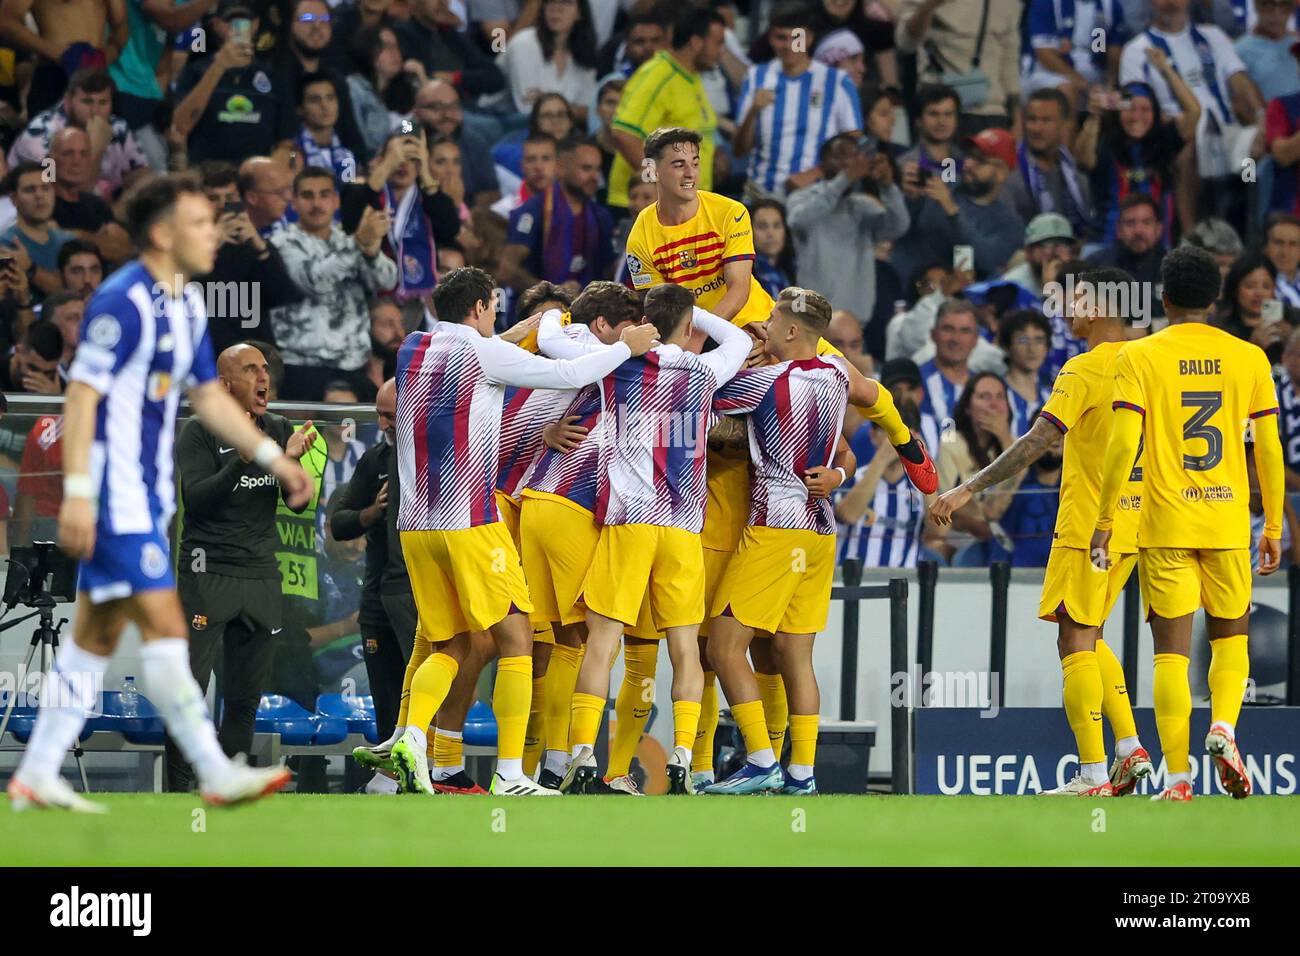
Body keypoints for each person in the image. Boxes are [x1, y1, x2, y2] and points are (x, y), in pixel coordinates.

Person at [6, 172, 313, 812]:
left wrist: (273, 461)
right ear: (162, 233)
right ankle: (215, 770)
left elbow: (207, 399)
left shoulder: (188, 305)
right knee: (169, 628)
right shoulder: (120, 301)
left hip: (148, 497)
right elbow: (83, 396)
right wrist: (83, 494)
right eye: (200, 224)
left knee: (91, 639)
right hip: (116, 494)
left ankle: (35, 773)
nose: (213, 235)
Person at [389, 266, 656, 797]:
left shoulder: (412, 348)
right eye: (493, 307)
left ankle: (408, 739)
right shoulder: (486, 353)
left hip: (415, 525)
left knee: (451, 644)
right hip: (472, 519)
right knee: (513, 638)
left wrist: (515, 335)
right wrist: (627, 347)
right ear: (482, 307)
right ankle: (511, 773)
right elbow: (569, 376)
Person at [932, 264, 1152, 795]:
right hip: (1137, 520)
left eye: (1076, 301)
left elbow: (1036, 441)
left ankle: (1093, 771)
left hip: (1087, 523)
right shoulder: (1147, 364)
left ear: (1098, 307)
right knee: (1091, 631)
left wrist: (967, 488)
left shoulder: (1082, 368)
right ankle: (1130, 748)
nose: (1068, 312)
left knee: (1073, 638)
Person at [1091, 244, 1284, 801]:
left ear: (1164, 297)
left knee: (1170, 654)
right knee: (1230, 639)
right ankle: (1224, 726)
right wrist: (1271, 525)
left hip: (1165, 522)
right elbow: (1267, 447)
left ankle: (1177, 779)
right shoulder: (1248, 357)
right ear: (1218, 297)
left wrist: (1106, 518)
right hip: (1227, 521)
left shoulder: (1139, 356)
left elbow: (1124, 442)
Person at [558, 283, 751, 796]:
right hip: (684, 529)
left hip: (630, 524)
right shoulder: (705, 370)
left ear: (645, 321)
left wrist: (626, 339)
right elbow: (739, 341)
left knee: (602, 644)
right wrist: (698, 314)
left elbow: (556, 346)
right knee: (686, 648)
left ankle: (580, 757)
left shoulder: (618, 363)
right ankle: (685, 755)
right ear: (688, 327)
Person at [702, 287, 860, 796]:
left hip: (775, 526)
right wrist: (837, 473)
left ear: (792, 331)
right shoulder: (837, 376)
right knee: (796, 655)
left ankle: (761, 759)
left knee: (724, 649)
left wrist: (735, 350)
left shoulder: (766, 381)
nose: (763, 328)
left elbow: (699, 395)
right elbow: (844, 438)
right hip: (820, 532)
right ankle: (802, 773)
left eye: (770, 321)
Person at [166, 343, 317, 792]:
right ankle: (178, 793)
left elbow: (297, 503)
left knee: (245, 698)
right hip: (207, 574)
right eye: (251, 370)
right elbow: (198, 498)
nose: (263, 377)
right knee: (190, 694)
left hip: (260, 576)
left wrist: (290, 464)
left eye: (265, 369)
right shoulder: (199, 431)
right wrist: (246, 457)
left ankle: (228, 785)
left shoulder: (278, 427)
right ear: (227, 384)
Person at [327, 378, 409, 766]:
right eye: (378, 414)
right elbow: (340, 523)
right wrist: (372, 513)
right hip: (377, 601)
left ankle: (437, 769)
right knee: (386, 697)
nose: (382, 424)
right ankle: (390, 774)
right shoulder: (374, 460)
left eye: (390, 415)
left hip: (421, 599)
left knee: (421, 691)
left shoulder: (436, 456)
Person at [269, 166, 398, 399]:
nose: (316, 203)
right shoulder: (281, 245)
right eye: (307, 195)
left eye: (324, 194)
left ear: (336, 200)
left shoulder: (349, 240)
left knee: (361, 435)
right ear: (294, 202)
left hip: (353, 366)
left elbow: (387, 280)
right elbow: (314, 281)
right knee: (305, 437)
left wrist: (371, 252)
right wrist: (359, 242)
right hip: (302, 368)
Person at [623, 126, 771, 325]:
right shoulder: (640, 235)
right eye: (678, 165)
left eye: (695, 163)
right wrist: (703, 337)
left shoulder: (730, 212)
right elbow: (661, 312)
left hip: (759, 324)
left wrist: (710, 333)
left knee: (826, 355)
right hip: (695, 339)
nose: (690, 174)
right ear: (652, 171)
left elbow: (739, 288)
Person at [732, 2, 863, 202]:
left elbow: (854, 141)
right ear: (770, 38)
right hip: (761, 198)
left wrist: (814, 173)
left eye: (796, 38)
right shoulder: (755, 77)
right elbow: (739, 151)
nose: (788, 46)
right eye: (780, 38)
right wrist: (753, 111)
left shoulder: (836, 82)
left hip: (815, 199)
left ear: (809, 38)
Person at [605, 6, 724, 210]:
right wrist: (664, 188)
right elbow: (624, 134)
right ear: (696, 43)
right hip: (643, 208)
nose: (721, 51)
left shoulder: (689, 76)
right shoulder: (658, 75)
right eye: (718, 43)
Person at [341, 129, 461, 323]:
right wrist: (385, 167)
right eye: (396, 157)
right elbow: (349, 220)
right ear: (382, 159)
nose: (403, 165)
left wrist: (426, 174)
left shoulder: (429, 198)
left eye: (412, 158)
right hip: (372, 296)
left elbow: (450, 230)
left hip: (419, 299)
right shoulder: (364, 192)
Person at [786, 132, 908, 318]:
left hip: (855, 321)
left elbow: (898, 226)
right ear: (822, 164)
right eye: (839, 156)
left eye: (852, 157)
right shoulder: (801, 198)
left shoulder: (862, 206)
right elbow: (798, 220)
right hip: (811, 319)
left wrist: (888, 186)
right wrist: (844, 179)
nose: (847, 164)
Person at [891, 126, 1025, 288]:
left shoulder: (1009, 223)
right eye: (969, 155)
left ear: (1001, 172)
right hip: (908, 290)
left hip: (958, 303)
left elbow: (988, 260)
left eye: (980, 160)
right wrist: (910, 199)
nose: (968, 164)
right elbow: (899, 230)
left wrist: (953, 212)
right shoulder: (939, 187)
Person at [1075, 73, 1197, 244]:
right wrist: (1095, 116)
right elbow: (1083, 160)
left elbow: (1194, 112)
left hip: (1158, 251)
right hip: (1106, 245)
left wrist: (1164, 69)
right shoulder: (1105, 143)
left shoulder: (1164, 142)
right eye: (1129, 109)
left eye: (1145, 110)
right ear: (1118, 113)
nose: (1136, 116)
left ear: (1155, 114)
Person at [197, 159, 302, 353]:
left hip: (255, 354)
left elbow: (283, 296)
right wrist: (211, 243)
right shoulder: (184, 250)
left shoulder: (253, 245)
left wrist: (260, 246)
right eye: (213, 198)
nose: (222, 205)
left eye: (230, 197)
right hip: (207, 355)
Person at [172, 5, 297, 166]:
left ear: (256, 25)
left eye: (244, 22)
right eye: (230, 22)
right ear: (216, 24)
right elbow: (180, 128)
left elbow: (288, 143)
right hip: (207, 175)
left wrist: (281, 165)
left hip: (256, 180)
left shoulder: (274, 77)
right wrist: (219, 66)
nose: (237, 28)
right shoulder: (194, 72)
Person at [7, 68, 150, 198]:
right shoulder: (42, 132)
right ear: (67, 101)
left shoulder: (118, 127)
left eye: (103, 102)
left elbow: (142, 172)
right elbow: (60, 193)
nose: (95, 111)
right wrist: (96, 147)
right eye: (87, 102)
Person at [501, 137, 615, 295]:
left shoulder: (601, 216)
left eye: (597, 169)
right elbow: (508, 269)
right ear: (561, 168)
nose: (594, 177)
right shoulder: (533, 211)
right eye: (586, 169)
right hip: (538, 311)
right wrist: (551, 293)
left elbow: (609, 269)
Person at [895, 0, 1022, 135]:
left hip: (992, 110)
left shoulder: (1007, 4)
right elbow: (906, 44)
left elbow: (1009, 59)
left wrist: (1016, 115)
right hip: (939, 109)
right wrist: (929, 7)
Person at [934, 370, 1022, 565]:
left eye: (1000, 397)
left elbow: (1016, 497)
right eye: (984, 397)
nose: (994, 404)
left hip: (1010, 534)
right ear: (967, 407)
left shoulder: (1016, 445)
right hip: (962, 536)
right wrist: (987, 531)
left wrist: (1005, 438)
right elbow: (952, 510)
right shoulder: (951, 443)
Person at [834, 399, 928, 568]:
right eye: (887, 432)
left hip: (906, 584)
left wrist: (924, 463)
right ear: (872, 435)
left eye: (900, 434)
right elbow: (846, 515)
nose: (894, 442)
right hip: (853, 581)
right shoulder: (853, 476)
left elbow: (940, 531)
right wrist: (880, 461)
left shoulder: (921, 487)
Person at [273, 0, 368, 162]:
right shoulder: (274, 76)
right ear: (290, 24)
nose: (317, 26)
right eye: (307, 19)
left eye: (324, 20)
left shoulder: (336, 79)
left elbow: (351, 137)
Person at [0, 0, 126, 117]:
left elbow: (121, 25)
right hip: (53, 75)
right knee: (50, 139)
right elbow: (6, 21)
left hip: (97, 73)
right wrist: (54, 52)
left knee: (106, 137)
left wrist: (106, 56)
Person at [1002, 88, 1094, 242]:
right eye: (1032, 119)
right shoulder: (1011, 173)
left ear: (1064, 125)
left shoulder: (1077, 175)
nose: (1037, 128)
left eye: (1046, 120)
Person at [47, 127, 132, 266]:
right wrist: (101, 238)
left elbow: (126, 250)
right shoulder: (43, 205)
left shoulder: (97, 204)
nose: (76, 161)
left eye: (84, 154)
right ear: (50, 161)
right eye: (68, 153)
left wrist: (79, 236)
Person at [501, 0, 598, 118]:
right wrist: (573, 109)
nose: (556, 8)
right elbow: (528, 107)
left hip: (559, 127)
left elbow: (589, 111)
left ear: (579, 12)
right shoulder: (524, 43)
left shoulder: (582, 52)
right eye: (550, 1)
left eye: (566, 2)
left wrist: (547, 99)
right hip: (504, 118)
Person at [410, 78, 498, 205]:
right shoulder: (406, 134)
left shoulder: (474, 142)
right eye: (437, 108)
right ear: (417, 111)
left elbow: (491, 194)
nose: (447, 115)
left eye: (454, 107)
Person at [0, 161, 73, 301]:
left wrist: (30, 268)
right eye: (30, 189)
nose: (39, 195)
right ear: (14, 199)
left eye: (46, 188)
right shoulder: (5, 246)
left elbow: (75, 294)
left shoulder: (68, 241)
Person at [346, 24, 418, 158]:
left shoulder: (407, 90)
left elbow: (410, 130)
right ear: (367, 50)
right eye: (386, 47)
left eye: (397, 46)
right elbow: (358, 143)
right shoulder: (354, 89)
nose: (395, 53)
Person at [1213, 249, 1298, 362]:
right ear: (1235, 288)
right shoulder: (1220, 328)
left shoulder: (1294, 319)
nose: (1259, 293)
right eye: (1250, 286)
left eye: (1266, 286)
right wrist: (1252, 347)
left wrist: (1293, 341)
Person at [1087, 192, 1167, 290]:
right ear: (1118, 229)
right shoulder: (1097, 266)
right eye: (1130, 223)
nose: (1138, 231)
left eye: (1146, 222)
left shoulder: (1173, 269)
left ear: (1159, 229)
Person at [295, 73, 359, 189]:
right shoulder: (293, 153)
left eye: (330, 98)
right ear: (300, 109)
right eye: (315, 100)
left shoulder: (348, 155)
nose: (324, 106)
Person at [998, 309, 1053, 436]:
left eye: (1038, 340)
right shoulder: (996, 395)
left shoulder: (1053, 396)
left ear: (1047, 347)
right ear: (1007, 346)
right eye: (1023, 340)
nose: (1032, 348)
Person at [1234, 0, 1300, 102]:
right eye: (1268, 4)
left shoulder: (1296, 44)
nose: (1276, 13)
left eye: (1284, 5)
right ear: (1256, 6)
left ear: (1292, 9)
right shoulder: (1240, 51)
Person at [0, 320, 63, 394]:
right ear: (18, 351)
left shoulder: (57, 386)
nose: (40, 378)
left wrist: (56, 399)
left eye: (48, 373)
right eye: (34, 368)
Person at [750, 198, 795, 298]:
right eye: (762, 226)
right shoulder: (743, 277)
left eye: (777, 226)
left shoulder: (790, 273)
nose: (770, 234)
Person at [1263, 211, 1300, 305]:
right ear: (1265, 247)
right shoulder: (1254, 288)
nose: (1285, 252)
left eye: (1293, 244)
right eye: (1278, 243)